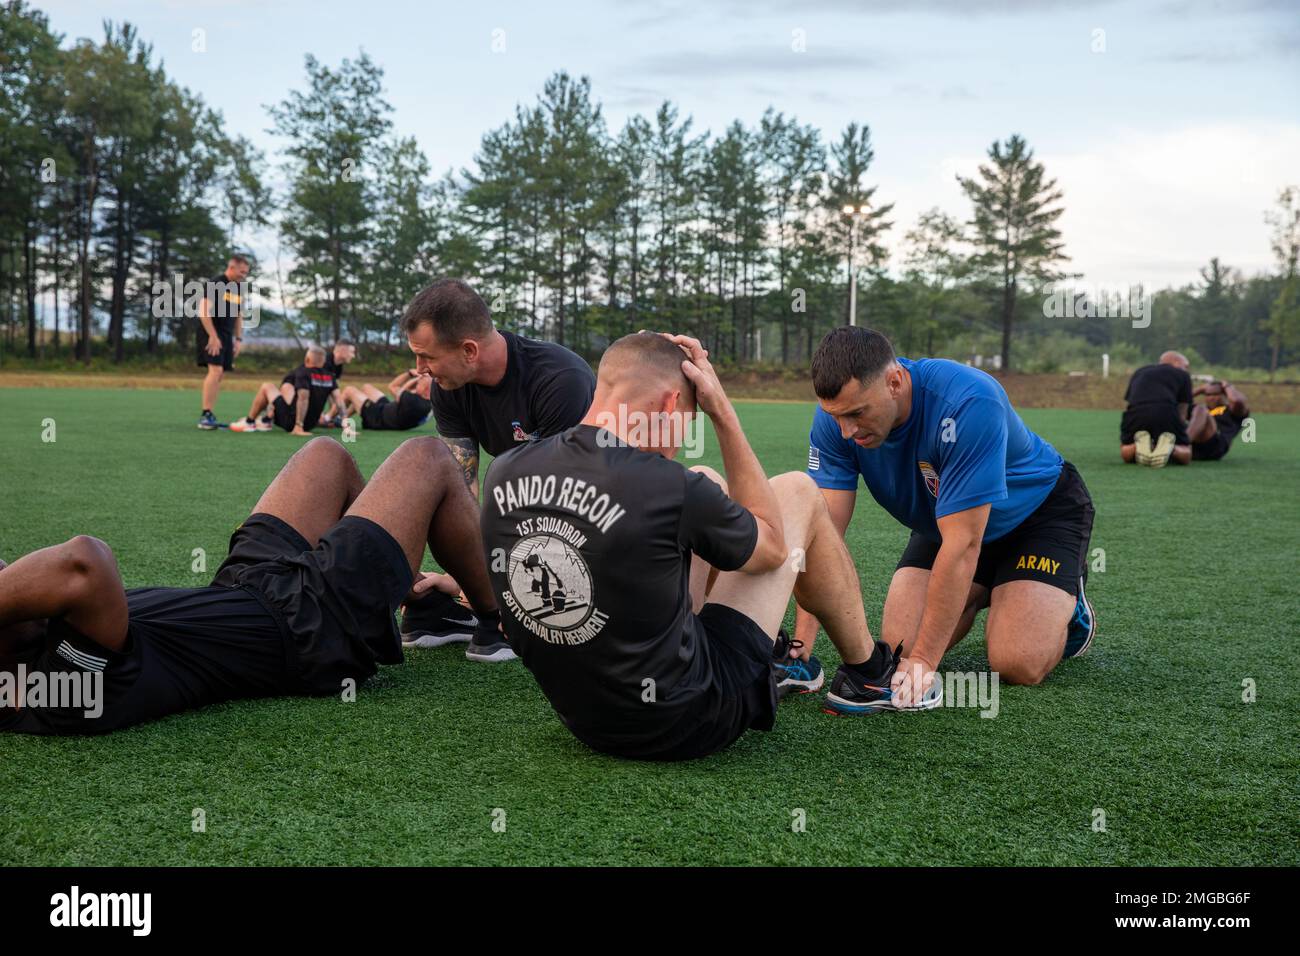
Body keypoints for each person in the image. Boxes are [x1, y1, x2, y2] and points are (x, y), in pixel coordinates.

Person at [478, 332, 901, 761]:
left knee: (705, 478)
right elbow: (773, 546)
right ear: (667, 405)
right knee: (798, 490)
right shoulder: (668, 487)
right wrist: (722, 412)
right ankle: (868, 674)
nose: (681, 437)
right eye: (689, 416)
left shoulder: (504, 469)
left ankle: (774, 654)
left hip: (585, 721)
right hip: (690, 719)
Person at [0, 438, 500, 735]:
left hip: (247, 585)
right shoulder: (58, 694)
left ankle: (410, 592)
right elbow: (85, 563)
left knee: (325, 456)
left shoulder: (37, 640)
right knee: (429, 457)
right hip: (309, 630)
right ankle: (498, 618)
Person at [797, 326, 1097, 711]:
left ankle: (1068, 600)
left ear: (894, 381)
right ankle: (992, 587)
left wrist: (925, 661)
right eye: (836, 416)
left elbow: (963, 544)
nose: (847, 431)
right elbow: (823, 535)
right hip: (945, 520)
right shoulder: (837, 419)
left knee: (1017, 661)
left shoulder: (969, 400)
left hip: (1036, 517)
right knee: (897, 643)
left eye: (857, 413)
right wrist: (801, 647)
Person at [398, 278, 596, 660]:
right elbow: (460, 491)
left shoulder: (559, 379)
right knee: (441, 475)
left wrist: (496, 588)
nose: (419, 369)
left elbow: (568, 505)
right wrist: (467, 579)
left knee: (506, 475)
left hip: (590, 521)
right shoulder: (449, 386)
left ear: (469, 350)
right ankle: (458, 610)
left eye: (427, 357)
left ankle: (505, 614)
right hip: (524, 522)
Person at [230, 345, 340, 436]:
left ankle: (249, 422)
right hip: (311, 424)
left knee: (267, 386)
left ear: (307, 359)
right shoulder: (330, 377)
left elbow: (303, 399)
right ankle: (267, 419)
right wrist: (347, 426)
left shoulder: (304, 372)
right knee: (287, 387)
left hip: (292, 422)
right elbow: (339, 402)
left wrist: (298, 426)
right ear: (324, 361)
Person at [196, 254, 251, 430]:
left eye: (246, 273)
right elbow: (203, 312)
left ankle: (210, 413)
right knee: (215, 370)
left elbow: (238, 315)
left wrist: (238, 339)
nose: (244, 275)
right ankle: (205, 415)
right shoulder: (215, 283)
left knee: (220, 374)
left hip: (227, 335)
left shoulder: (239, 288)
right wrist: (212, 336)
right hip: (211, 331)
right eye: (242, 271)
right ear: (232, 267)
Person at [1120, 351, 1194, 467]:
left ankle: (1136, 447)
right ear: (1176, 362)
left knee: (1125, 449)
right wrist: (1181, 433)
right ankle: (1171, 448)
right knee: (1186, 453)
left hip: (1136, 412)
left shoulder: (1140, 372)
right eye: (1186, 366)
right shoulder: (1182, 374)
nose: (1186, 369)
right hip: (1166, 410)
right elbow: (1182, 410)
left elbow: (1129, 402)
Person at [339, 369, 433, 432]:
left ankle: (329, 417)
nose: (417, 383)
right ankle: (342, 418)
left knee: (349, 390)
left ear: (426, 389)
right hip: (387, 411)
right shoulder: (426, 402)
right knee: (366, 388)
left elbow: (393, 386)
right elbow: (406, 391)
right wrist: (422, 379)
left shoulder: (414, 401)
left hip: (378, 419)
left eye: (419, 383)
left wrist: (410, 374)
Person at [1190, 380, 1251, 461]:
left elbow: (1237, 401)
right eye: (1207, 394)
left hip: (1215, 447)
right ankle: (1176, 448)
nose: (1211, 398)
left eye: (1215, 394)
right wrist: (1201, 389)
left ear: (1225, 395)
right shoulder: (1200, 410)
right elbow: (1176, 401)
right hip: (1194, 448)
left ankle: (1183, 442)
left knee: (1200, 409)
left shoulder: (1232, 411)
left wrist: (1227, 386)